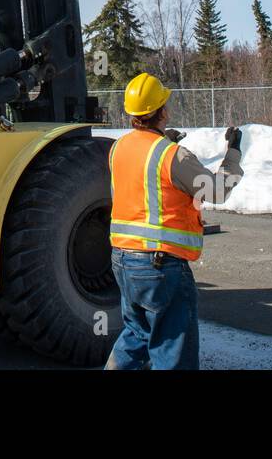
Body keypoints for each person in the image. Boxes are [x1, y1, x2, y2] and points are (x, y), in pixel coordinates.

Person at [105, 72, 245, 370]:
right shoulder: (172, 155)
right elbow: (217, 190)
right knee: (172, 350)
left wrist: (163, 141)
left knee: (136, 335)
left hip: (123, 261)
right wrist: (233, 153)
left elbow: (142, 180)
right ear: (163, 111)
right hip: (160, 266)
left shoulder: (118, 148)